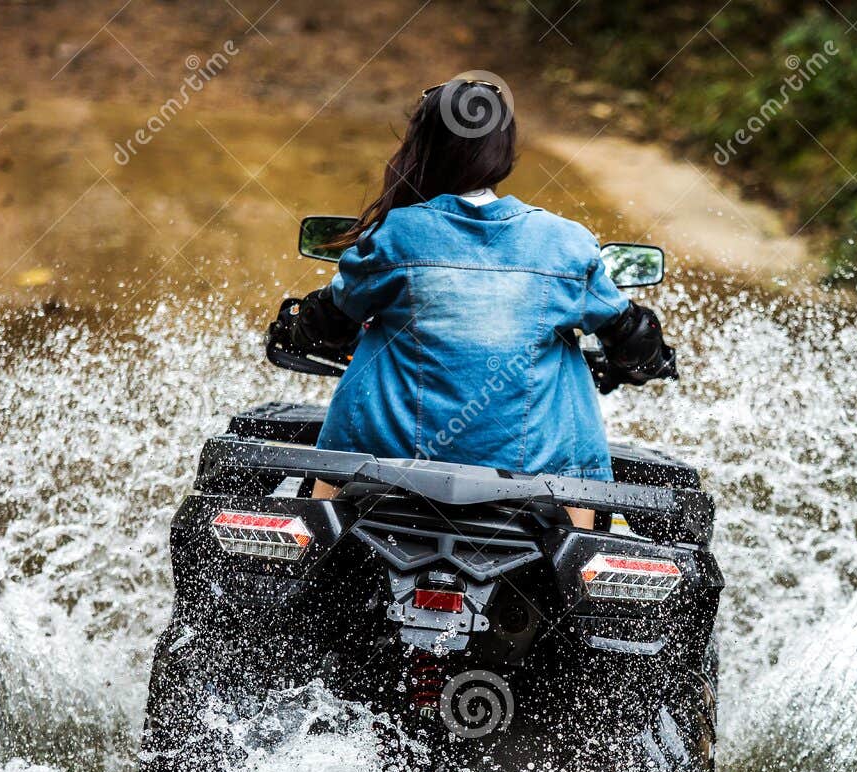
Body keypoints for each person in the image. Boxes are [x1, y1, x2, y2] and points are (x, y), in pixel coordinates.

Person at [276, 77, 675, 521]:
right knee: (582, 534)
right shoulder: (565, 244)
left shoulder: (393, 235)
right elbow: (631, 335)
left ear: (422, 148)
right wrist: (650, 356)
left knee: (313, 550)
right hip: (536, 473)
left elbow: (327, 321)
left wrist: (294, 325)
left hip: (385, 463)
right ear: (502, 152)